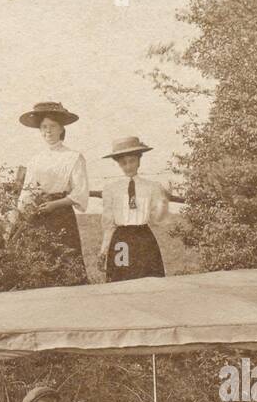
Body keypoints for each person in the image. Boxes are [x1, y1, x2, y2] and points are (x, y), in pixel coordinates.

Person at [9, 102, 90, 283]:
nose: (48, 131)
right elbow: (27, 192)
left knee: (65, 261)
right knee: (37, 263)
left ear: (61, 128)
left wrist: (55, 204)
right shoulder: (36, 159)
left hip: (61, 216)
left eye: (52, 126)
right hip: (37, 215)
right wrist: (18, 214)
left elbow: (80, 192)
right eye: (44, 127)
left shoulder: (74, 157)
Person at [99, 136, 168, 282]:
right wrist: (104, 250)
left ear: (139, 160)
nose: (128, 166)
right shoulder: (111, 189)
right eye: (123, 163)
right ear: (118, 164)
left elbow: (159, 219)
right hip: (121, 241)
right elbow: (108, 224)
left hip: (144, 238)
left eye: (132, 161)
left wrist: (163, 202)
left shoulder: (152, 187)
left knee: (149, 280)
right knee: (121, 279)